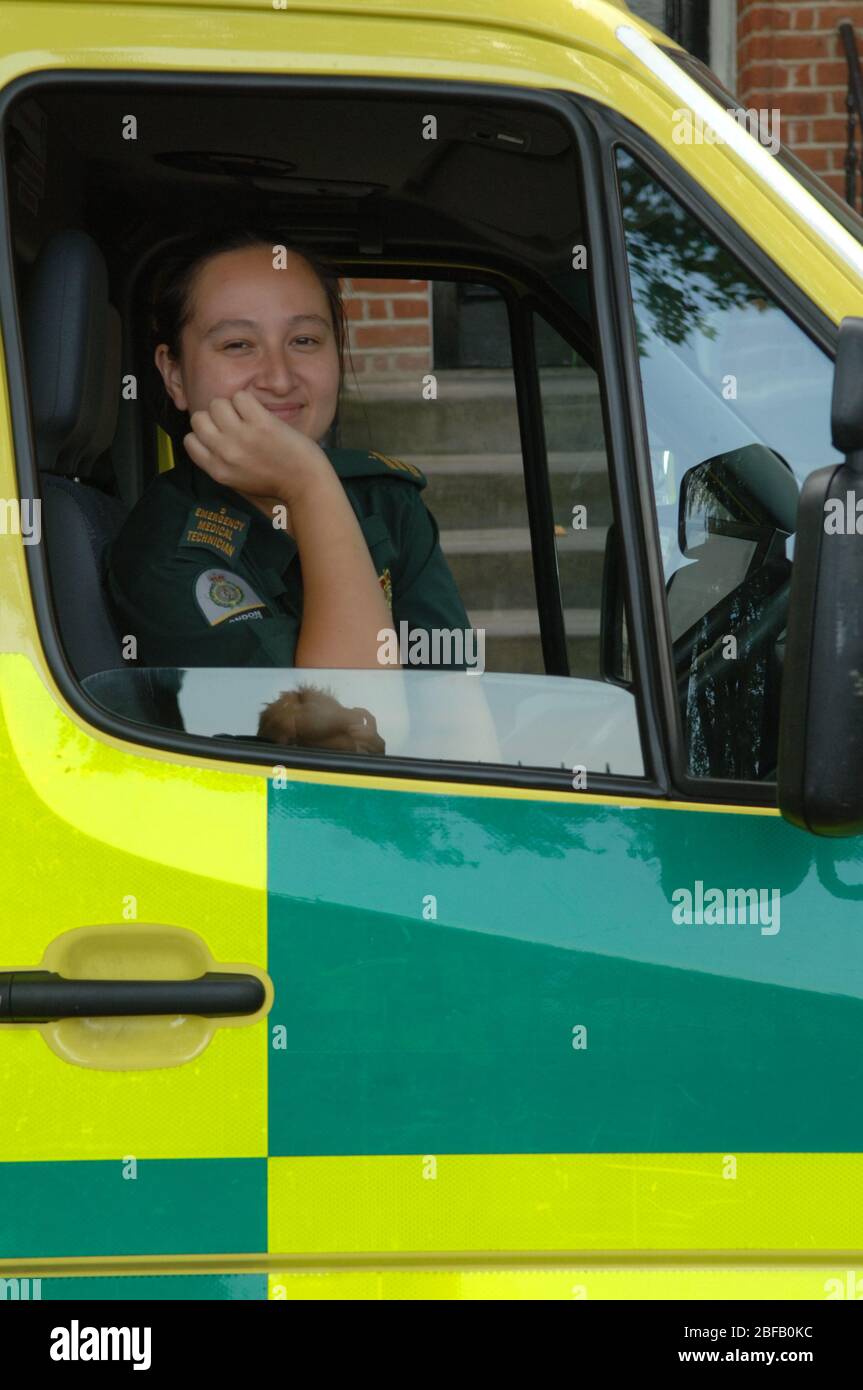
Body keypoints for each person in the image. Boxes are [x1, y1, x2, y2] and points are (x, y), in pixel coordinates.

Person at [105, 228, 473, 750]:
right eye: (238, 345)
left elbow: (460, 724)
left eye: (304, 341)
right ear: (175, 374)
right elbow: (348, 744)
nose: (279, 378)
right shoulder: (164, 552)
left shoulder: (387, 502)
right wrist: (309, 485)